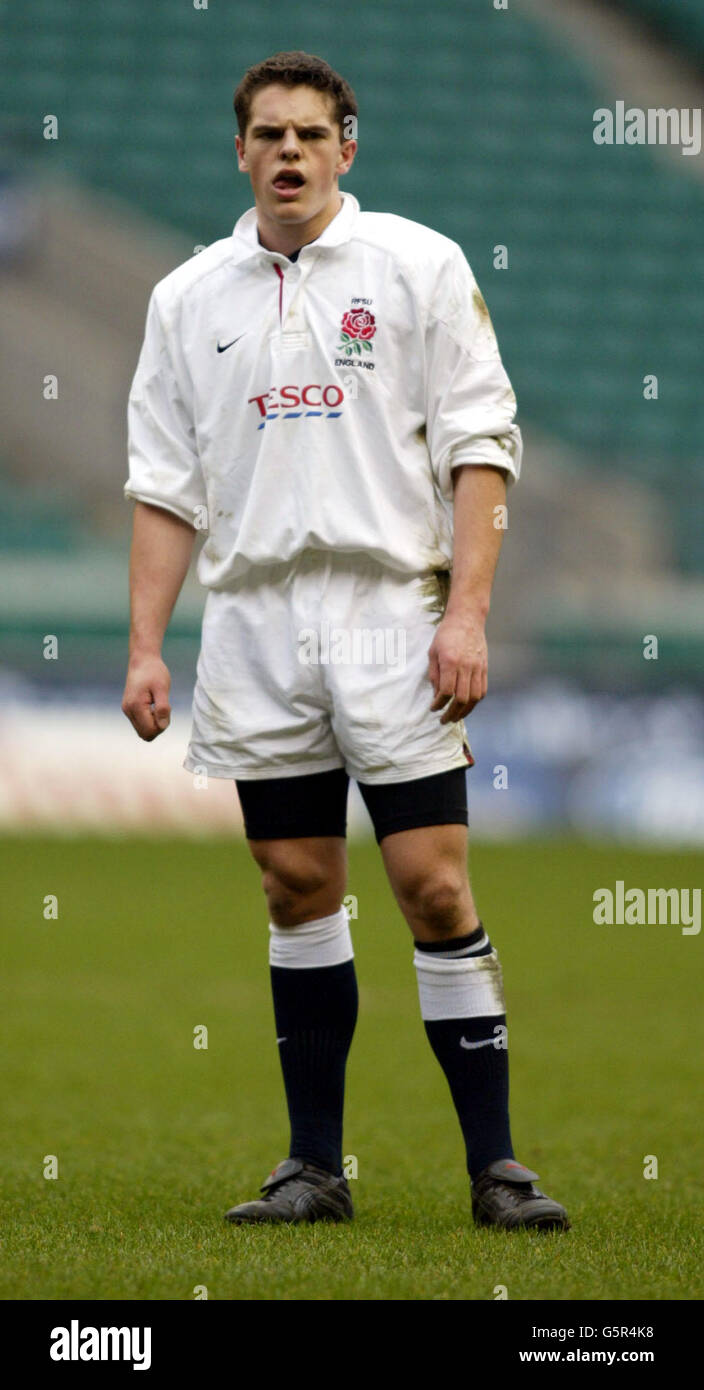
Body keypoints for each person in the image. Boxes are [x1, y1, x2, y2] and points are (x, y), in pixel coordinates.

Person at [122, 50, 569, 1233]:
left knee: (429, 882)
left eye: (309, 135)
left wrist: (465, 611)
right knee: (295, 882)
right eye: (266, 135)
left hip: (389, 615)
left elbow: (482, 444)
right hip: (257, 622)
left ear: (345, 147)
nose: (287, 153)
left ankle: (498, 1168)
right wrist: (146, 646)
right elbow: (164, 488)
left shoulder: (416, 266)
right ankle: (313, 1169)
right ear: (239, 152)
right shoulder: (187, 298)